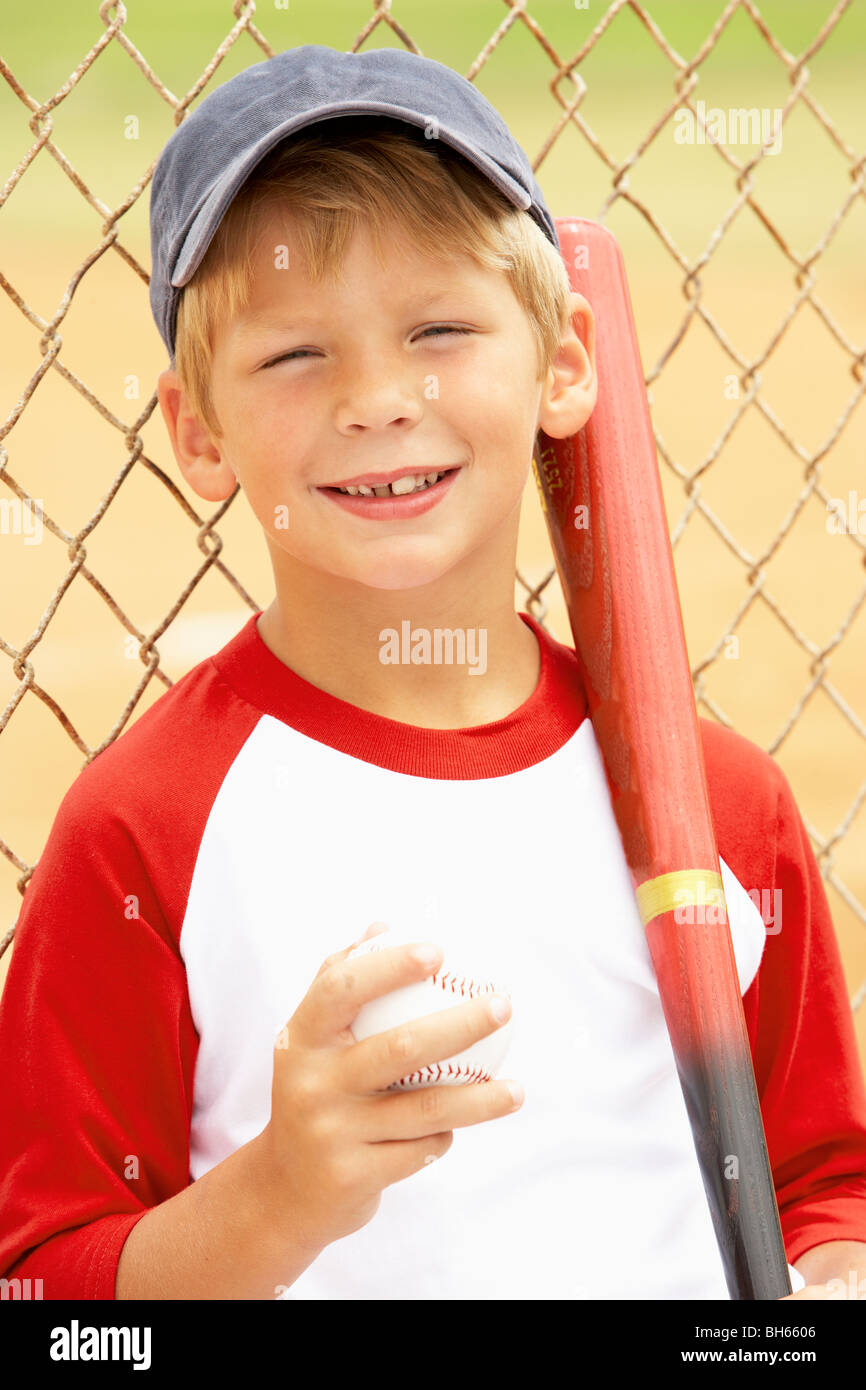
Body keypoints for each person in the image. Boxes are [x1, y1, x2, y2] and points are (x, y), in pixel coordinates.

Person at [1, 44, 865, 1301]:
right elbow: (52, 1301)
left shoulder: (720, 808)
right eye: (295, 354)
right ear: (198, 429)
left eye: (440, 329)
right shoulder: (147, 832)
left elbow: (818, 1182)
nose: (377, 398)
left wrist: (833, 1273)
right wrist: (275, 1198)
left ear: (564, 362)